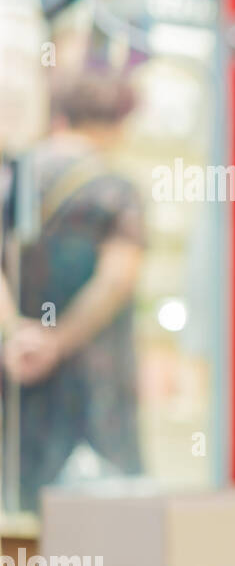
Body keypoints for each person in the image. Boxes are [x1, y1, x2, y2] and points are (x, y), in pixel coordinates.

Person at [0, 67, 145, 513]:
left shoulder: (13, 177)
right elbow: (117, 279)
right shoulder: (115, 188)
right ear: (120, 121)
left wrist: (14, 335)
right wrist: (57, 341)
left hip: (16, 370)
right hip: (91, 374)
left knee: (16, 503)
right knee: (99, 510)